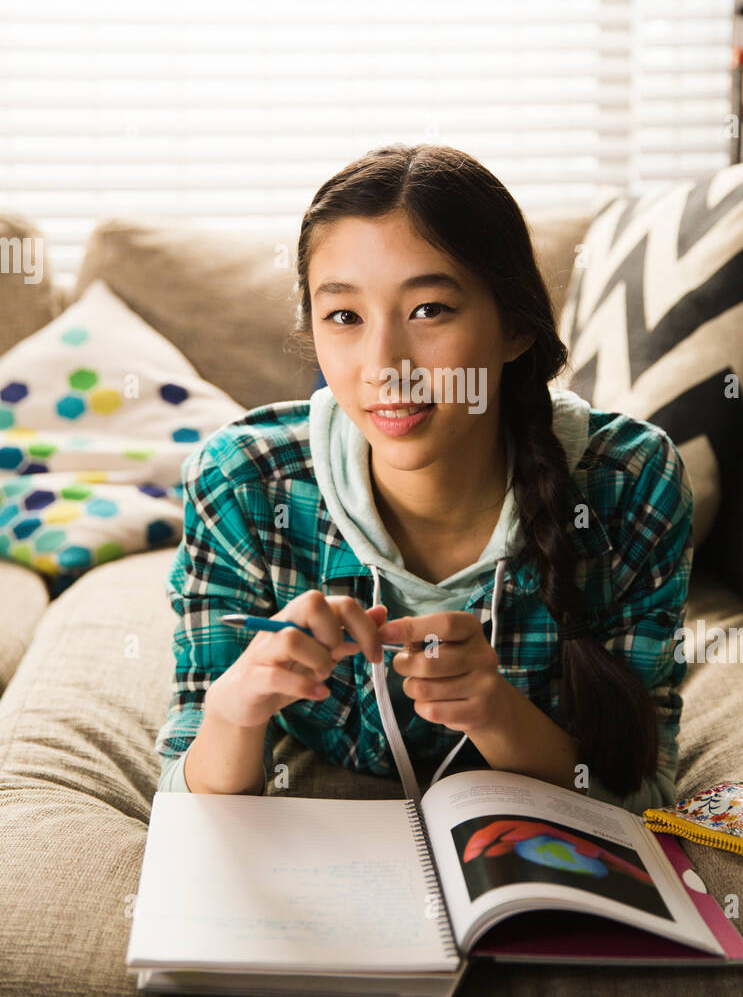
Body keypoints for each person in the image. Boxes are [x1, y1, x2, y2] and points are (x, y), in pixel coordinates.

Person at [154, 143, 695, 813]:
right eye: (345, 316)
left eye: (429, 310)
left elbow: (643, 796)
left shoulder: (632, 482)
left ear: (517, 327)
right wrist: (235, 712)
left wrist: (495, 711)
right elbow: (187, 801)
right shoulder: (243, 482)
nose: (384, 365)